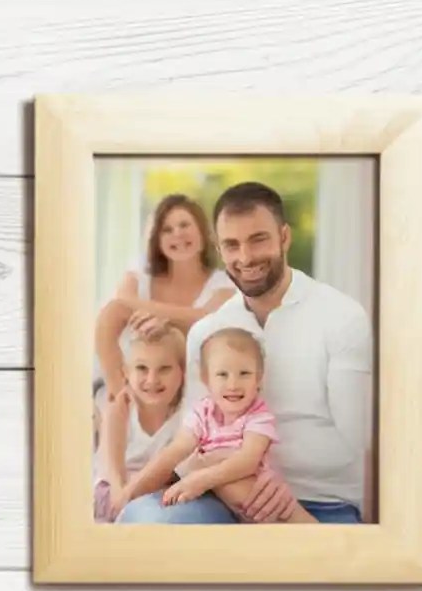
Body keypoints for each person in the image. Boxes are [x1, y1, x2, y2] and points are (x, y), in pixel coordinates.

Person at [118, 181, 373, 525]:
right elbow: (191, 440)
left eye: (258, 240)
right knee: (144, 519)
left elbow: (364, 442)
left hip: (322, 502)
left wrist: (378, 531)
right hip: (224, 493)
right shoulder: (208, 331)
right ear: (219, 250)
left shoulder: (342, 317)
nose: (245, 257)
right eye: (231, 245)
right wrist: (220, 474)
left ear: (284, 237)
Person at [109, 327, 318, 523]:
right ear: (206, 379)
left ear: (259, 378)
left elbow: (247, 461)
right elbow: (175, 451)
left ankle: (316, 532)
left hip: (254, 494)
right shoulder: (203, 412)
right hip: (217, 498)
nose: (233, 384)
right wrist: (131, 491)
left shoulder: (258, 415)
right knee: (169, 476)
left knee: (233, 480)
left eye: (244, 374)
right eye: (222, 374)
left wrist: (199, 480)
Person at [95, 194, 235, 405]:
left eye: (184, 225)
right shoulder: (140, 273)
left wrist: (161, 319)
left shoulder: (224, 285)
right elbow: (117, 308)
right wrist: (118, 389)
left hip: (188, 395)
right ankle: (118, 396)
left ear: (202, 232)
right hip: (131, 389)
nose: (177, 234)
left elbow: (205, 318)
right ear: (157, 240)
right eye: (167, 230)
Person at [93, 326, 186, 522]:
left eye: (164, 369)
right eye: (142, 368)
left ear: (182, 373)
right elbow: (112, 462)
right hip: (111, 489)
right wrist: (119, 490)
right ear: (126, 372)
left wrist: (135, 493)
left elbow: (172, 471)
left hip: (155, 489)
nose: (152, 380)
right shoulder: (121, 409)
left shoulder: (185, 416)